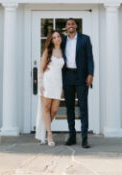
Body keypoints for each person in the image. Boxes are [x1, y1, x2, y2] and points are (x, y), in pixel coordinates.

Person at [61, 18, 94, 148]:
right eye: (68, 24)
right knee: (69, 108)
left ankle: (84, 138)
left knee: (83, 107)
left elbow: (90, 58)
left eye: (73, 24)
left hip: (81, 77)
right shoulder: (63, 40)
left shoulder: (85, 39)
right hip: (67, 76)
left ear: (76, 26)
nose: (71, 26)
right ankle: (72, 136)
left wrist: (90, 74)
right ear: (66, 27)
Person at [35, 30, 64, 146]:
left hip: (58, 82)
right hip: (47, 81)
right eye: (54, 37)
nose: (57, 38)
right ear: (51, 40)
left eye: (58, 36)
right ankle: (49, 135)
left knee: (54, 110)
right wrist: (40, 85)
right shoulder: (48, 50)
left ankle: (44, 131)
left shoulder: (63, 51)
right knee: (46, 108)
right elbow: (41, 68)